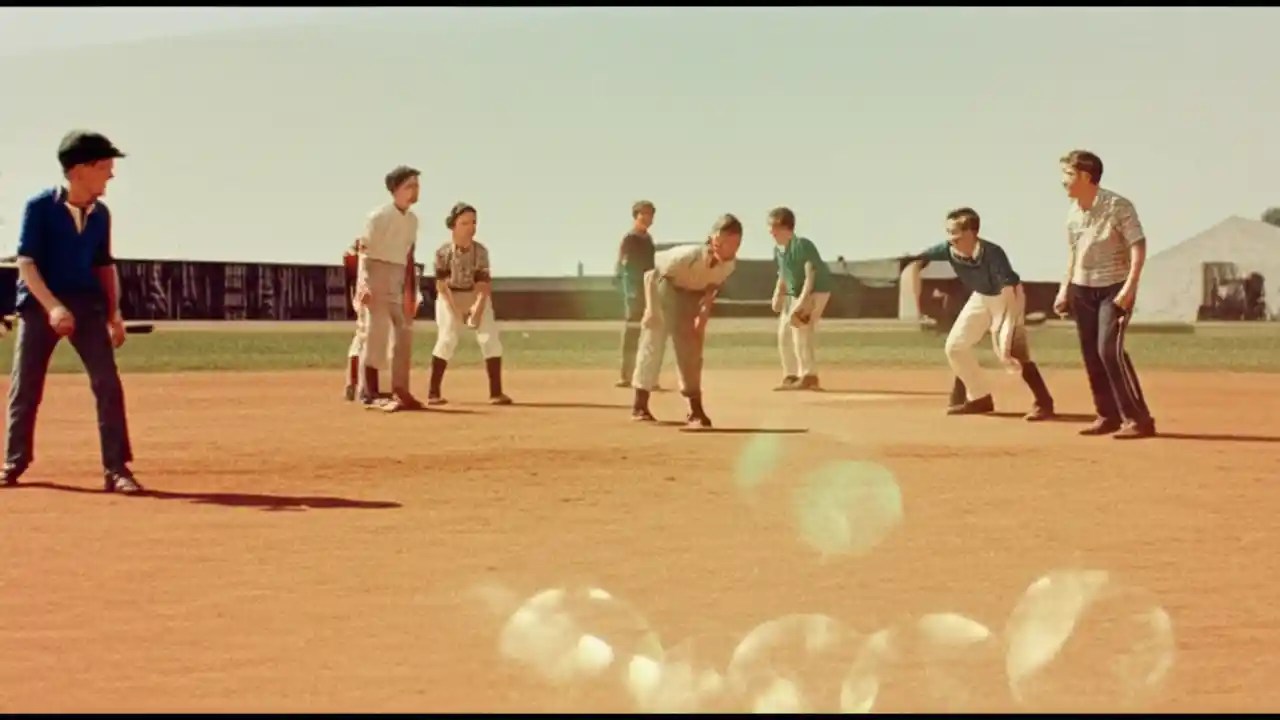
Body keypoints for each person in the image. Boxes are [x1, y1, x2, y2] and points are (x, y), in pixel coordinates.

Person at [2, 130, 142, 493]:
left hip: (86, 304)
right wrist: (52, 308)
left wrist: (114, 314)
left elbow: (104, 266)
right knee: (26, 385)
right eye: (105, 165)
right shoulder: (40, 207)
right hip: (39, 305)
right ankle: (14, 463)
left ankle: (116, 468)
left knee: (107, 383)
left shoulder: (100, 215)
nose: (111, 174)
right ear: (80, 169)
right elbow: (27, 263)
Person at [904, 207, 1055, 421]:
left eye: (956, 234)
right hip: (982, 295)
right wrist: (916, 299)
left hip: (1007, 295)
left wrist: (1009, 323)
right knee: (955, 347)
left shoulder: (993, 253)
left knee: (1009, 349)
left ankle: (1044, 402)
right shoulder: (947, 249)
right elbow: (916, 263)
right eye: (949, 233)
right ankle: (979, 398)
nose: (951, 240)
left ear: (971, 234)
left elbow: (1008, 289)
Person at [1055, 149, 1156, 439]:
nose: (1063, 181)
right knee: (1091, 354)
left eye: (1068, 174)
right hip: (1082, 288)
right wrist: (1065, 288)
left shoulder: (1118, 205)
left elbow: (1138, 245)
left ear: (1086, 176)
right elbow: (1073, 254)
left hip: (1114, 288)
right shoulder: (1073, 213)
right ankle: (1107, 415)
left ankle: (1140, 419)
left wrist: (1130, 286)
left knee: (1108, 351)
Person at [630, 213, 742, 428]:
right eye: (723, 240)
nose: (728, 247)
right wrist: (652, 311)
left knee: (690, 348)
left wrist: (702, 320)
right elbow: (651, 276)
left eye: (734, 243)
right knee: (654, 338)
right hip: (664, 285)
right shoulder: (687, 255)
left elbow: (711, 289)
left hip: (691, 294)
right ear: (712, 238)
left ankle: (695, 410)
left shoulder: (729, 265)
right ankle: (640, 404)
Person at [427, 202, 512, 406]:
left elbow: (483, 284)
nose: (471, 227)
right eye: (465, 223)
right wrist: (457, 312)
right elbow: (442, 286)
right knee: (447, 338)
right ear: (453, 225)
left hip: (474, 295)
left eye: (474, 222)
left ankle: (496, 392)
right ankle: (433, 393)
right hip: (450, 297)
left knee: (489, 338)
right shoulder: (443, 252)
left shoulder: (480, 251)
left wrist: (478, 307)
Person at [354, 165, 423, 412]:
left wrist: (412, 290)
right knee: (376, 332)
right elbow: (363, 251)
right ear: (395, 190)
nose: (415, 190)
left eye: (416, 185)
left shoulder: (413, 221)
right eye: (409, 186)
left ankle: (400, 389)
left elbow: (409, 255)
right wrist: (362, 284)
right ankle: (369, 392)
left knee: (403, 332)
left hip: (396, 276)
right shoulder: (378, 217)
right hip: (375, 273)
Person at [768, 206, 834, 391]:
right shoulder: (779, 250)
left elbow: (810, 274)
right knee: (784, 332)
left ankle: (809, 375)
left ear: (786, 228)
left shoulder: (802, 245)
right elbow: (783, 274)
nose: (770, 231)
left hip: (816, 290)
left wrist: (804, 301)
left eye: (774, 227)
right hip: (794, 293)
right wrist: (777, 294)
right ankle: (791, 375)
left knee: (801, 329)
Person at [615, 200, 657, 388]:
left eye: (651, 214)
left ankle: (645, 375)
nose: (648, 218)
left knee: (649, 333)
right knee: (632, 331)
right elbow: (623, 266)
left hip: (649, 290)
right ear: (636, 216)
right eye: (644, 214)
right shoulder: (630, 238)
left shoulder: (648, 239)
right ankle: (626, 374)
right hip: (635, 291)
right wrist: (631, 291)